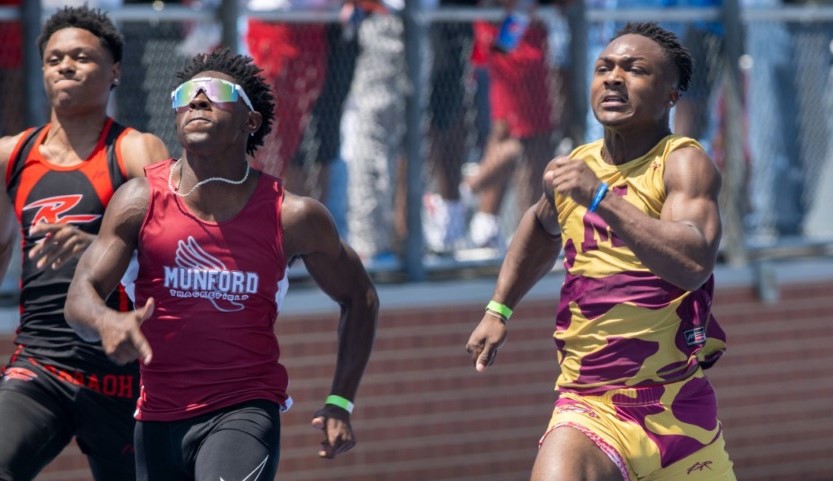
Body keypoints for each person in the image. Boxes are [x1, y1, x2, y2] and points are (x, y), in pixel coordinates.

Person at [64, 48, 378, 480]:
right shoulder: (139, 200)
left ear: (250, 121)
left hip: (244, 409)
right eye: (185, 94)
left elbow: (360, 298)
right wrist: (105, 321)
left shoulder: (293, 216)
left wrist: (341, 400)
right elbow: (80, 295)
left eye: (215, 92)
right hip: (156, 418)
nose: (196, 100)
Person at [465, 22, 736, 481]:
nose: (613, 78)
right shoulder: (574, 170)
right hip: (590, 408)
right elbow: (537, 227)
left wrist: (600, 199)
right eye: (603, 68)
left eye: (634, 70)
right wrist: (499, 308)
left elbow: (693, 263)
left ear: (670, 95)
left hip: (679, 413)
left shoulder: (682, 162)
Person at [0, 5, 170, 480]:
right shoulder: (13, 155)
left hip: (123, 375)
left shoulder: (136, 149)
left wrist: (99, 244)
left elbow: (181, 237)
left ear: (114, 70)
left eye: (81, 57)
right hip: (41, 365)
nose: (66, 67)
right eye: (54, 59)